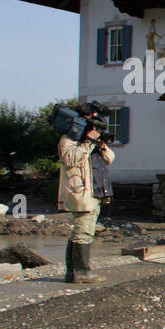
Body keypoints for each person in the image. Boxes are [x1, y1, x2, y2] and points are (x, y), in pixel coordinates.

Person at [58, 102, 114, 284]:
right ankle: (81, 272)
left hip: (96, 191)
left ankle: (74, 273)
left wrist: (100, 144)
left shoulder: (91, 143)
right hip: (81, 192)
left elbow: (110, 159)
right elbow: (70, 160)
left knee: (83, 231)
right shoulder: (69, 140)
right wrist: (88, 142)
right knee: (82, 232)